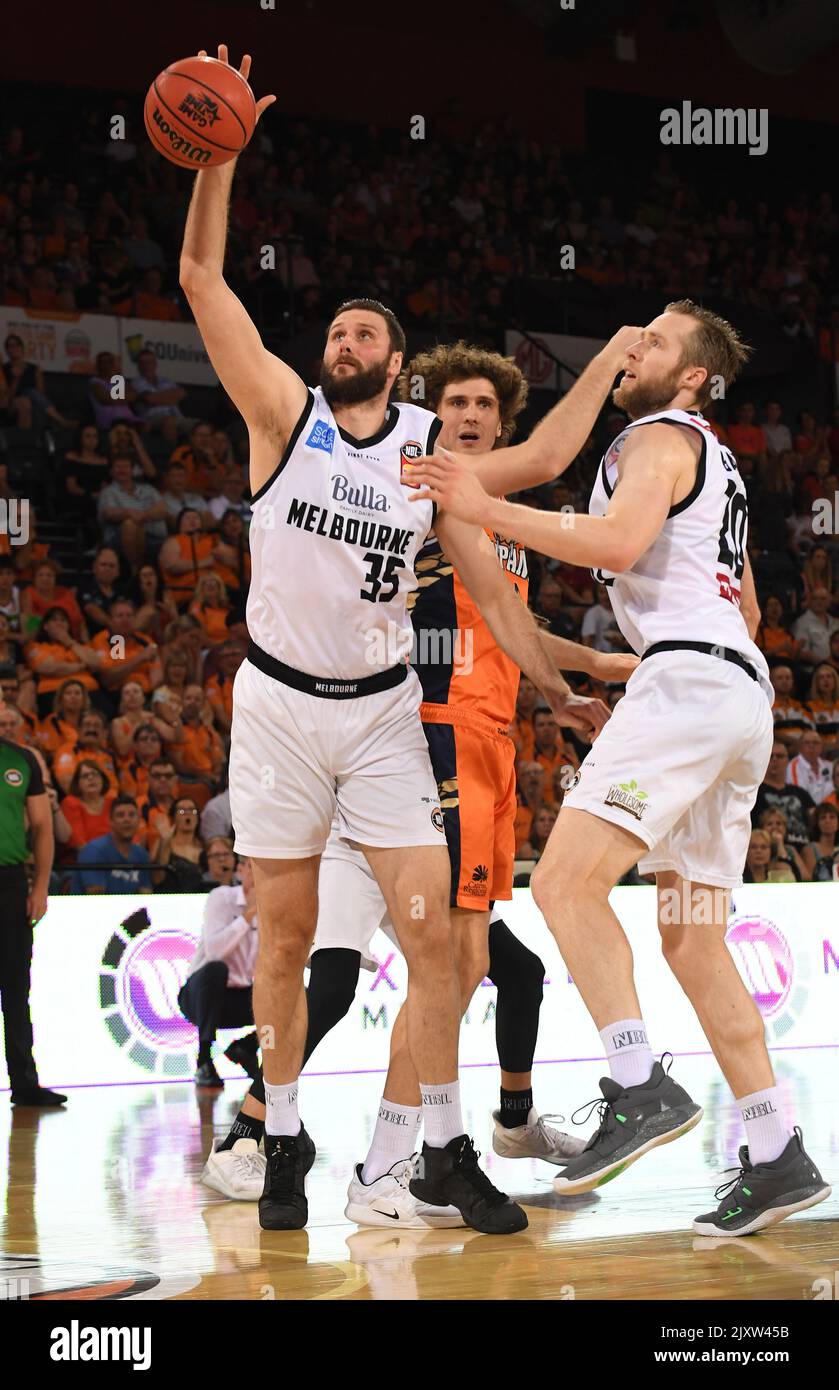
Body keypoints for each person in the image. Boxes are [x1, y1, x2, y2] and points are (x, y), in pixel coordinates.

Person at [179, 43, 601, 1236]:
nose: (347, 338)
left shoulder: (431, 458)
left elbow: (504, 562)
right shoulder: (281, 415)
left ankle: (438, 1154)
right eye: (340, 328)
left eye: (368, 331)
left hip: (375, 713)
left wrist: (553, 678)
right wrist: (218, 161)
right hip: (272, 705)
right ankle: (286, 1131)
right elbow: (203, 276)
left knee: (442, 946)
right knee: (286, 939)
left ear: (397, 362)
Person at [409, 299, 831, 1234]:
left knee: (564, 885)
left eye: (655, 340)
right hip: (737, 697)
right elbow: (750, 608)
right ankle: (776, 1152)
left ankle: (637, 1084)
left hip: (682, 687)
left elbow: (613, 544)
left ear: (689, 375)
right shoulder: (716, 461)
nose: (634, 347)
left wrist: (484, 505)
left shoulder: (656, 438)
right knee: (690, 936)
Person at [202, 338, 632, 1214]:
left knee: (428, 963)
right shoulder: (424, 490)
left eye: (485, 408)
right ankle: (365, 1154)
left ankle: (432, 1138)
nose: (468, 418)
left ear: (499, 422)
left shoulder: (489, 520)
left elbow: (508, 621)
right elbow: (544, 466)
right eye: (457, 405)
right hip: (420, 739)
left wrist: (579, 668)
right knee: (410, 959)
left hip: (473, 747)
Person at [0, 704, 64, 1106]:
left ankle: (24, 1083)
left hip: (8, 883)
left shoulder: (21, 760)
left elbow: (42, 826)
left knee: (15, 988)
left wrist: (40, 885)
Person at [178, 856, 261, 1091]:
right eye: (255, 868)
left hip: (241, 997)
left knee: (300, 995)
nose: (262, 876)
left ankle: (248, 1046)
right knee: (216, 969)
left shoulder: (273, 908)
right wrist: (250, 914)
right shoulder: (222, 898)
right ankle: (204, 1060)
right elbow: (215, 951)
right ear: (241, 870)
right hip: (199, 996)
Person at [72, 796, 152, 894]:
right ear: (111, 821)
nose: (127, 820)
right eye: (120, 815)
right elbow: (95, 899)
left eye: (132, 815)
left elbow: (146, 894)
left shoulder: (142, 855)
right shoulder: (94, 851)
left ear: (139, 821)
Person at [752, 739, 816, 850]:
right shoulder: (754, 792)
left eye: (780, 756)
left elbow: (816, 820)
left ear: (787, 760)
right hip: (769, 849)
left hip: (805, 849)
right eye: (770, 756)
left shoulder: (801, 793)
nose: (774, 759)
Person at [153, 796, 205, 893]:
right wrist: (165, 842)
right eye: (182, 811)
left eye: (192, 811)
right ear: (173, 818)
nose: (188, 814)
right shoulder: (163, 842)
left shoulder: (205, 847)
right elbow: (157, 879)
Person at [756, 807, 807, 881]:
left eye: (778, 823)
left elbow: (806, 877)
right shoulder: (757, 849)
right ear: (762, 828)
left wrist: (780, 843)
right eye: (769, 824)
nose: (774, 827)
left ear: (785, 828)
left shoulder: (790, 849)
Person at [786, 729, 834, 802]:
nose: (811, 746)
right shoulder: (794, 766)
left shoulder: (830, 766)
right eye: (807, 743)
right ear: (800, 746)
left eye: (815, 743)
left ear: (822, 747)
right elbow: (799, 794)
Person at [802, 802, 839, 881]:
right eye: (823, 818)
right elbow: (812, 880)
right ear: (817, 823)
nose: (827, 821)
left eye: (832, 817)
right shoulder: (810, 849)